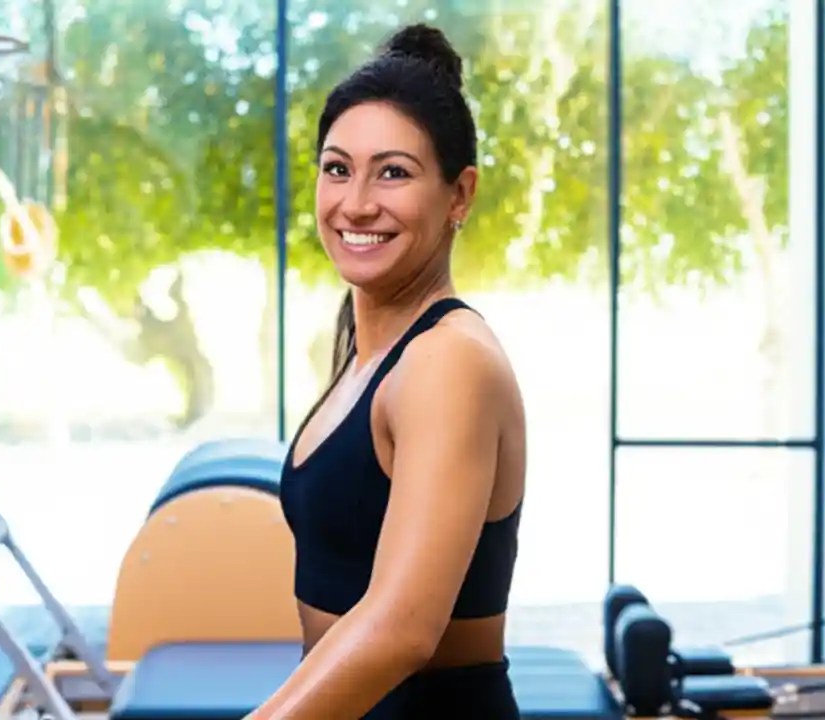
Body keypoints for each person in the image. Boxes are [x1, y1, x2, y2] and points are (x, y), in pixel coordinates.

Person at [245, 23, 527, 720]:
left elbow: (400, 627)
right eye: (337, 168)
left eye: (393, 172)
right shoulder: (366, 350)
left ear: (459, 195)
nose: (357, 203)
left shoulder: (449, 359)